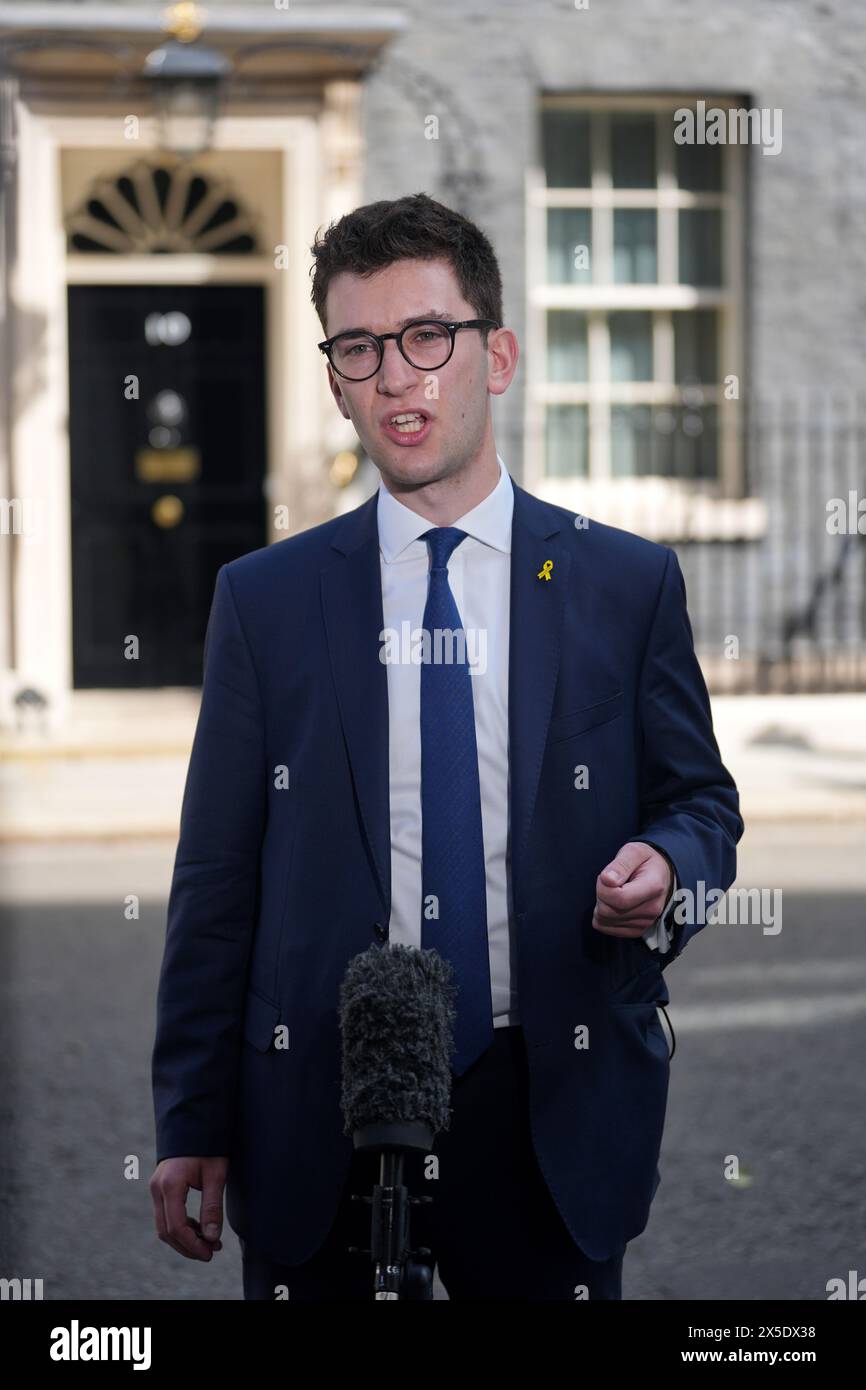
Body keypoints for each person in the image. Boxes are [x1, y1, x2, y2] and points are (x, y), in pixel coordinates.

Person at [150, 192, 743, 1301]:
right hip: (322, 1111)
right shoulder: (263, 601)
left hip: (545, 1100)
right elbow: (216, 878)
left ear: (497, 354)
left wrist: (666, 871)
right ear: (334, 379)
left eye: (427, 336)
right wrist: (189, 1117)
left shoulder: (622, 585)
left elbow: (702, 806)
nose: (395, 376)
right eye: (360, 348)